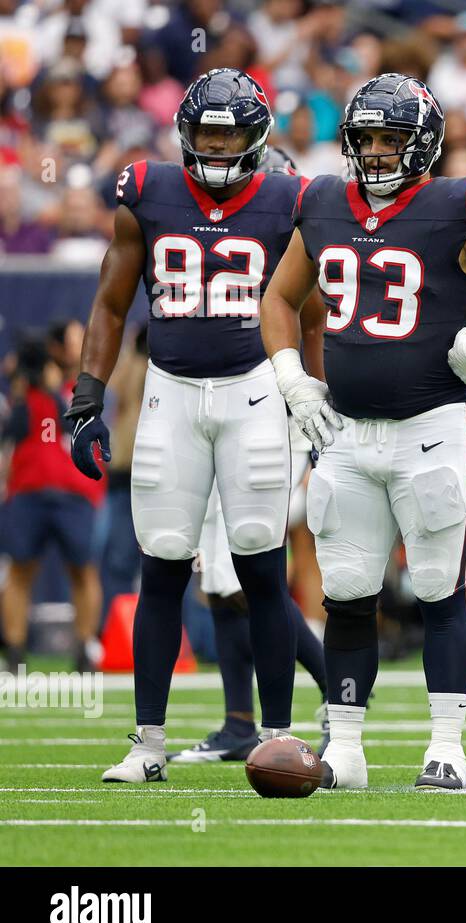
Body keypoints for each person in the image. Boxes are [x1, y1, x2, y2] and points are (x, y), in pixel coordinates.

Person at [258, 73, 466, 791]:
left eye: (390, 138)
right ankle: (346, 748)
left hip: (431, 423)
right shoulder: (322, 201)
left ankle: (446, 746)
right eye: (364, 136)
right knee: (347, 594)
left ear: (422, 143)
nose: (374, 150)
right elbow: (278, 295)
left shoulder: (458, 203)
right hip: (345, 428)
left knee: (437, 589)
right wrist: (291, 378)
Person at [66, 68, 313, 783]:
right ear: (185, 133)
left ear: (256, 137)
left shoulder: (291, 199)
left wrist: (317, 394)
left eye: (229, 133)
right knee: (163, 564)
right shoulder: (146, 190)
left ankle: (276, 736)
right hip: (172, 392)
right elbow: (111, 304)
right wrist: (87, 398)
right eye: (206, 132)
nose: (216, 145)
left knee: (262, 565)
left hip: (256, 392)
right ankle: (148, 744)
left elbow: (314, 310)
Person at [168, 145, 332, 764]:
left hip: (272, 412)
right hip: (214, 412)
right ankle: (240, 720)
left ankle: (335, 690)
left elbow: (310, 323)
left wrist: (315, 411)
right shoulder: (218, 228)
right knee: (218, 578)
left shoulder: (295, 239)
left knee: (247, 573)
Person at [1, 336, 104, 672]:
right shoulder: (24, 396)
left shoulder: (80, 390)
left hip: (72, 492)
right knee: (20, 569)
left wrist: (56, 386)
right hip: (28, 490)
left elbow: (73, 421)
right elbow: (12, 432)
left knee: (83, 569)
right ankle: (14, 651)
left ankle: (85, 647)